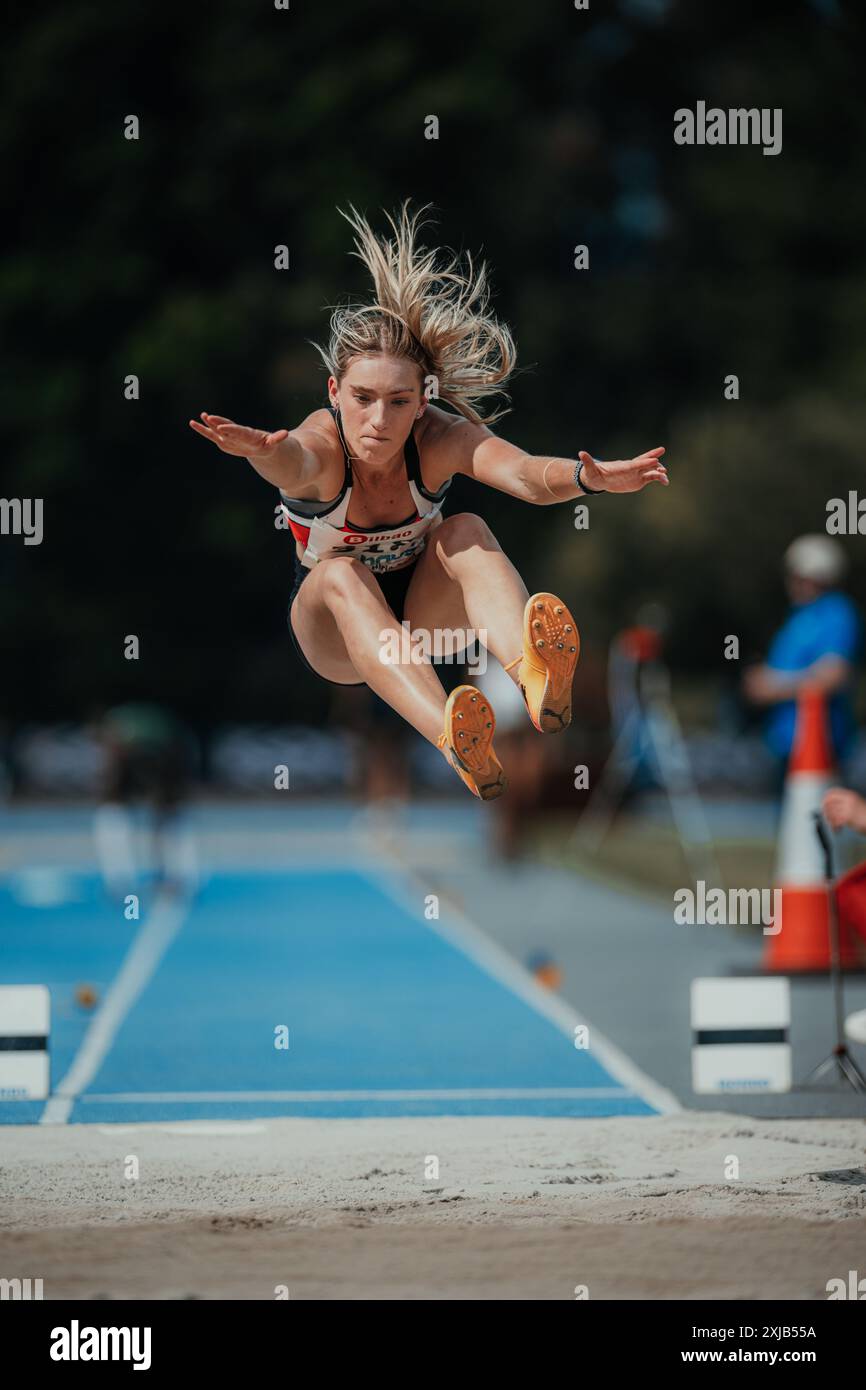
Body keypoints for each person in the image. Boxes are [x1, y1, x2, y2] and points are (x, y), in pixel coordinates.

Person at [190, 202, 668, 799]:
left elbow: (521, 473)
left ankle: (532, 672)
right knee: (341, 574)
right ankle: (452, 736)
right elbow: (296, 463)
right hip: (337, 638)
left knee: (465, 527)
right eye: (363, 398)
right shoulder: (322, 440)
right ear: (335, 393)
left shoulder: (439, 438)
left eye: (398, 401)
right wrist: (262, 452)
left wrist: (589, 477)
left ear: (423, 401)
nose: (378, 421)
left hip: (421, 622)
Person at [743, 534, 862, 770]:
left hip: (819, 745)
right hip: (787, 743)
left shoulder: (836, 613)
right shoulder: (798, 616)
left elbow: (833, 675)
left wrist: (771, 687)